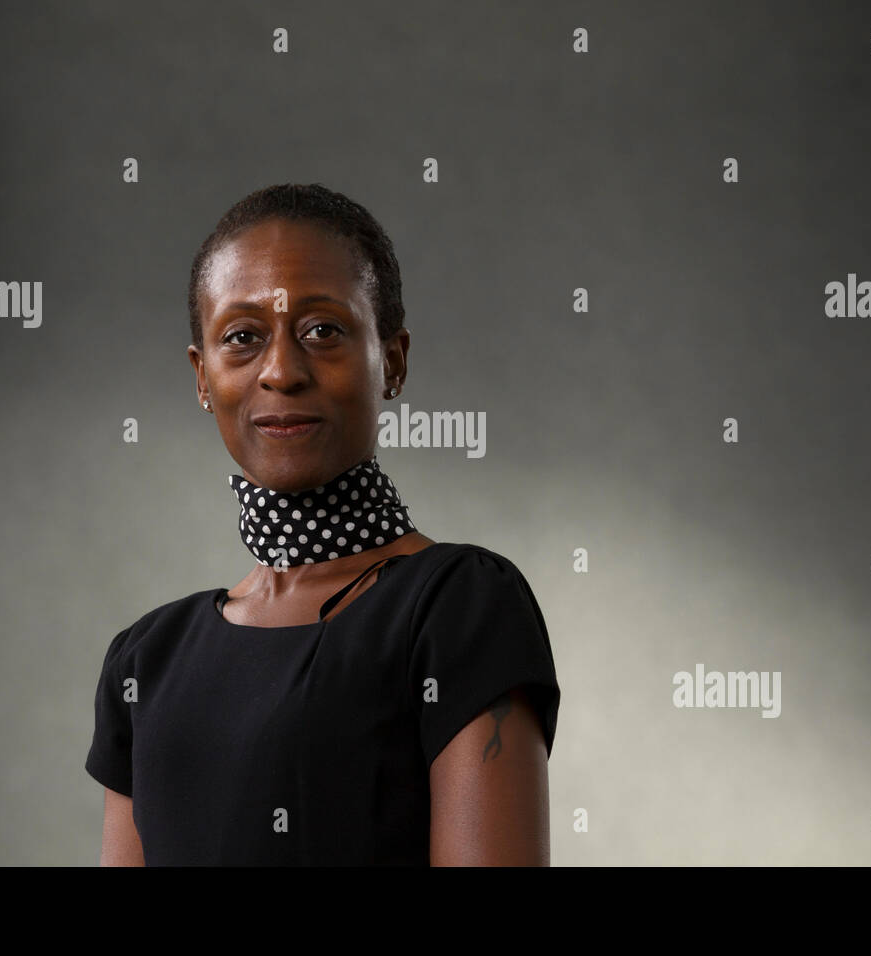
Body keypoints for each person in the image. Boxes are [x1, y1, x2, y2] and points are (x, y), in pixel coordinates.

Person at [85, 183, 561, 865]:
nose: (281, 371)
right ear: (201, 376)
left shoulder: (457, 607)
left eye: (322, 331)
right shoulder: (145, 659)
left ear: (391, 362)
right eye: (242, 338)